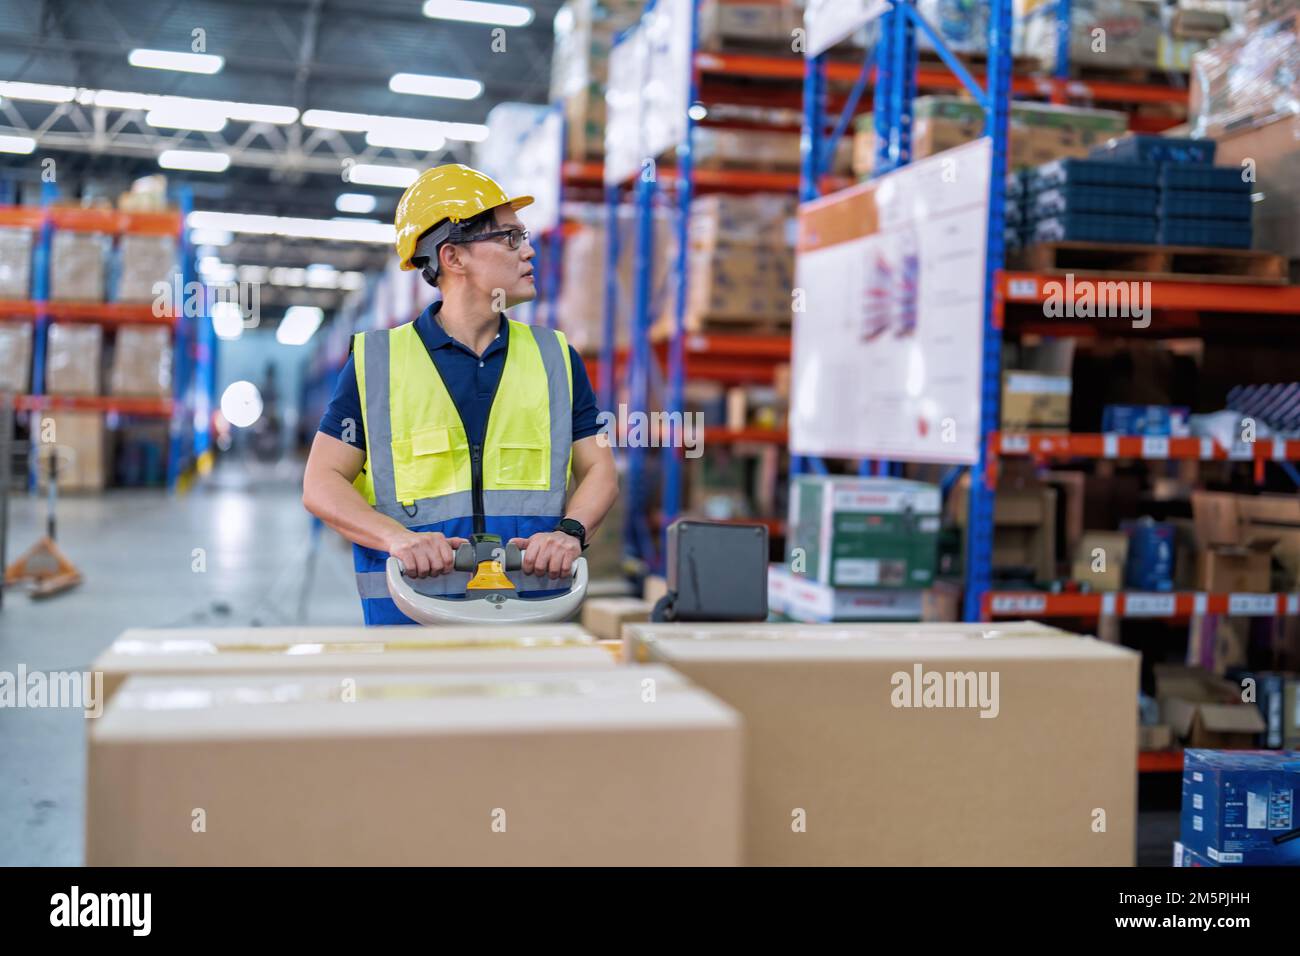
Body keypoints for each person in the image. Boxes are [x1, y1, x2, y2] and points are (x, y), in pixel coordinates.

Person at [303, 164, 619, 625]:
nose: (529, 250)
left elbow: (600, 471)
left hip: (531, 617)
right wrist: (398, 539)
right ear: (453, 258)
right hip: (411, 620)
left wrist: (571, 533)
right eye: (510, 238)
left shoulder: (556, 358)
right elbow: (321, 482)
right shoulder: (377, 362)